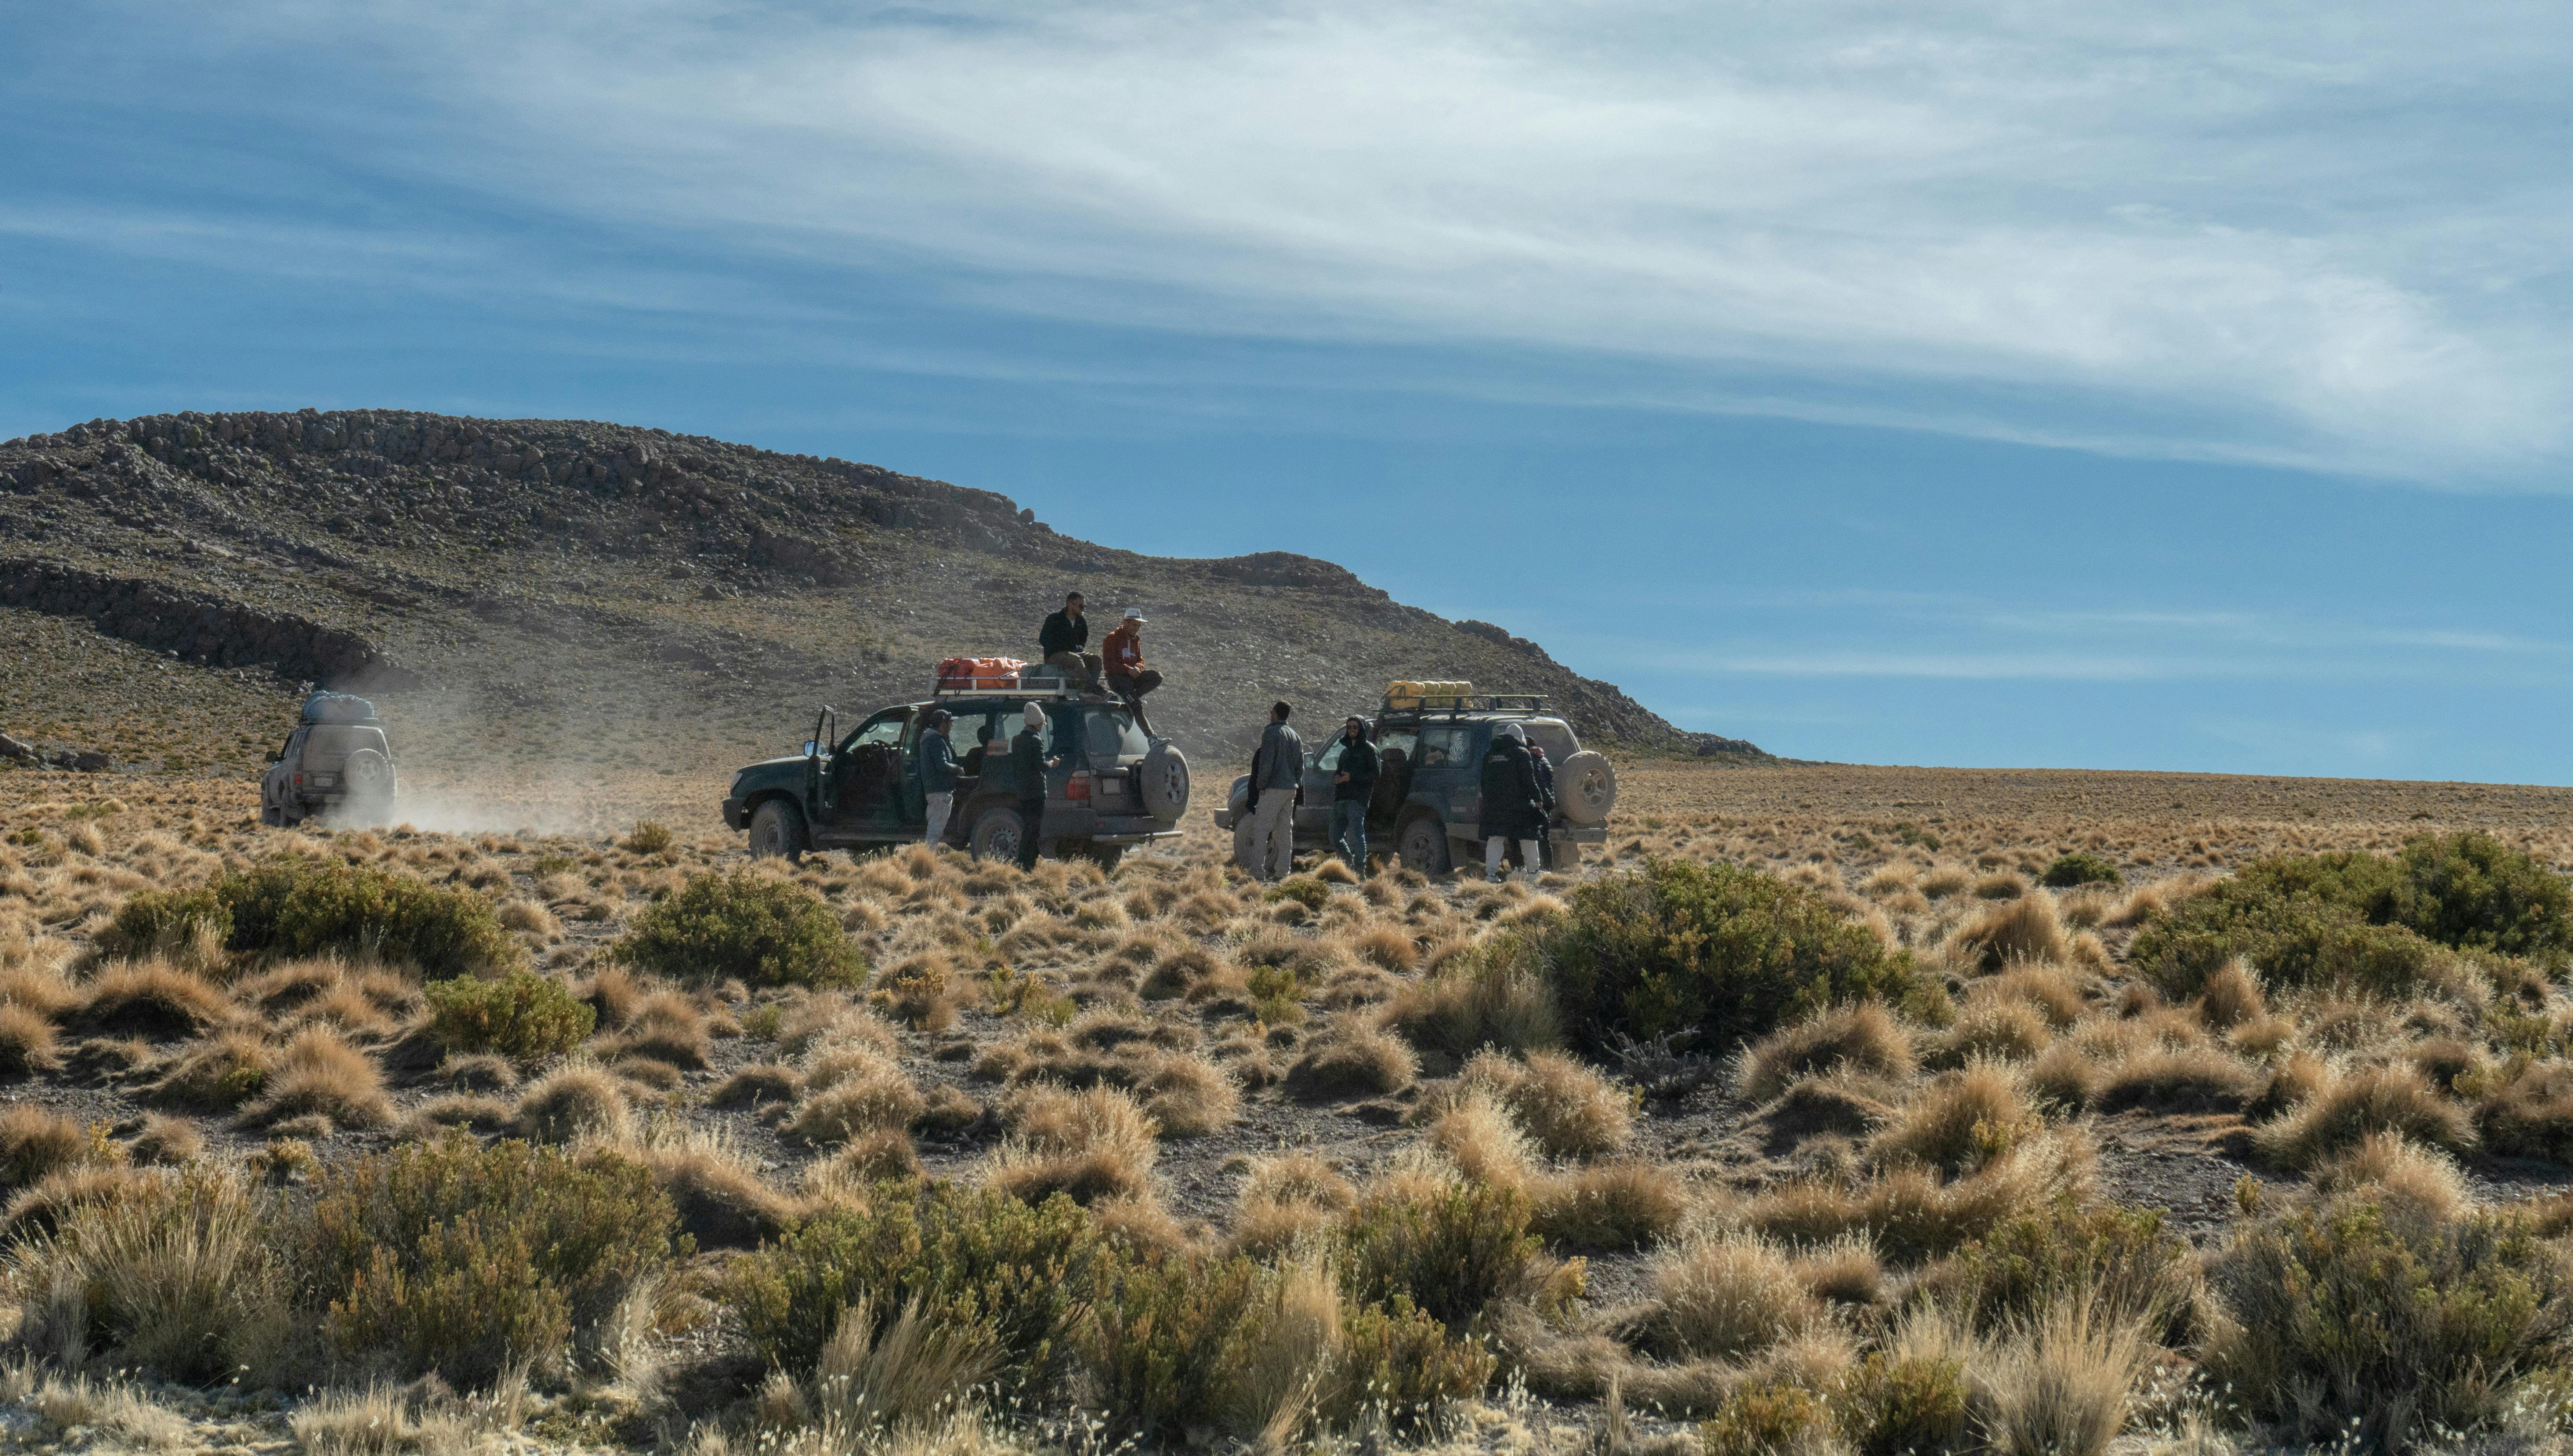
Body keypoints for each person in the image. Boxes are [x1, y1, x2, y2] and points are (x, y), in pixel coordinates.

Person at [1480, 722, 1545, 882]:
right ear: (1520, 737)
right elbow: (1529, 780)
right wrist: (1538, 798)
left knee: (1496, 838)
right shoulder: (1522, 752)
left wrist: (1487, 800)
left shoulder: (1490, 754)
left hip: (1494, 805)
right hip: (1519, 805)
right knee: (1528, 838)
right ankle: (1534, 873)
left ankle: (1491, 874)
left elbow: (1484, 781)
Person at [1245, 701, 1302, 882]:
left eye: (1272, 711)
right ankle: (1283, 872)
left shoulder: (1271, 733)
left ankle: (1257, 872)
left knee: (1261, 829)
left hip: (1274, 789)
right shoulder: (1295, 736)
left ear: (1276, 714)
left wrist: (1261, 785)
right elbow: (1301, 768)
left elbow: (1266, 762)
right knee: (1285, 832)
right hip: (1290, 790)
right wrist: (1294, 784)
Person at [1007, 702, 1060, 871]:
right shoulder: (1036, 741)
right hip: (1037, 792)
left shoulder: (1017, 740)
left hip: (1023, 791)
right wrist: (1053, 763)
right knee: (1034, 829)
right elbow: (1042, 767)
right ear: (1038, 723)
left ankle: (1026, 862)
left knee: (1028, 826)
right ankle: (1026, 862)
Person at [1329, 715, 1378, 876]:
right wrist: (1337, 778)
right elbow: (1339, 772)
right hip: (1342, 797)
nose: (1352, 731)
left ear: (1361, 729)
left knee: (1357, 835)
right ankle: (1349, 863)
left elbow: (1375, 775)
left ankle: (1360, 869)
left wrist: (1353, 777)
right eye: (1349, 727)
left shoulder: (1370, 750)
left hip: (1358, 799)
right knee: (1335, 837)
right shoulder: (1345, 751)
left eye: (1355, 728)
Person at [1101, 613, 1162, 732]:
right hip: (1118, 679)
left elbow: (1140, 659)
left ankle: (1131, 698)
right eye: (1135, 624)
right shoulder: (1112, 638)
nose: (1137, 628)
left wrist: (1139, 668)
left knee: (1157, 677)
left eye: (1139, 626)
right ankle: (1151, 737)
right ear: (1126, 622)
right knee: (1137, 706)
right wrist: (1128, 669)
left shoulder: (1136, 640)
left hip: (1131, 678)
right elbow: (1109, 664)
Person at [1039, 592, 1100, 690]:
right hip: (1054, 656)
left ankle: (1091, 686)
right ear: (1070, 605)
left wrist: (1076, 648)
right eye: (1081, 606)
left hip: (1074, 653)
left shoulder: (1081, 621)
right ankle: (1092, 689)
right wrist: (1063, 646)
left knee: (1095, 659)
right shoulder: (1054, 619)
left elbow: (1083, 641)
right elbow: (1043, 640)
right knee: (1076, 660)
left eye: (1085, 606)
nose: (1084, 609)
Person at [917, 708, 959, 849]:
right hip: (940, 791)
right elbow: (942, 765)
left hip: (934, 791)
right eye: (949, 723)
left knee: (934, 826)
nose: (951, 727)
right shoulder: (936, 741)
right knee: (935, 830)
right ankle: (927, 861)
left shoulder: (931, 739)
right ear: (943, 724)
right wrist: (958, 769)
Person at [1527, 740, 1557, 871]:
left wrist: (1538, 800)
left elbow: (1538, 782)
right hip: (1549, 801)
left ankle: (1542, 868)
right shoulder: (1544, 759)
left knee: (1539, 836)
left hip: (1541, 803)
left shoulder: (1533, 761)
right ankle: (1549, 867)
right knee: (1545, 836)